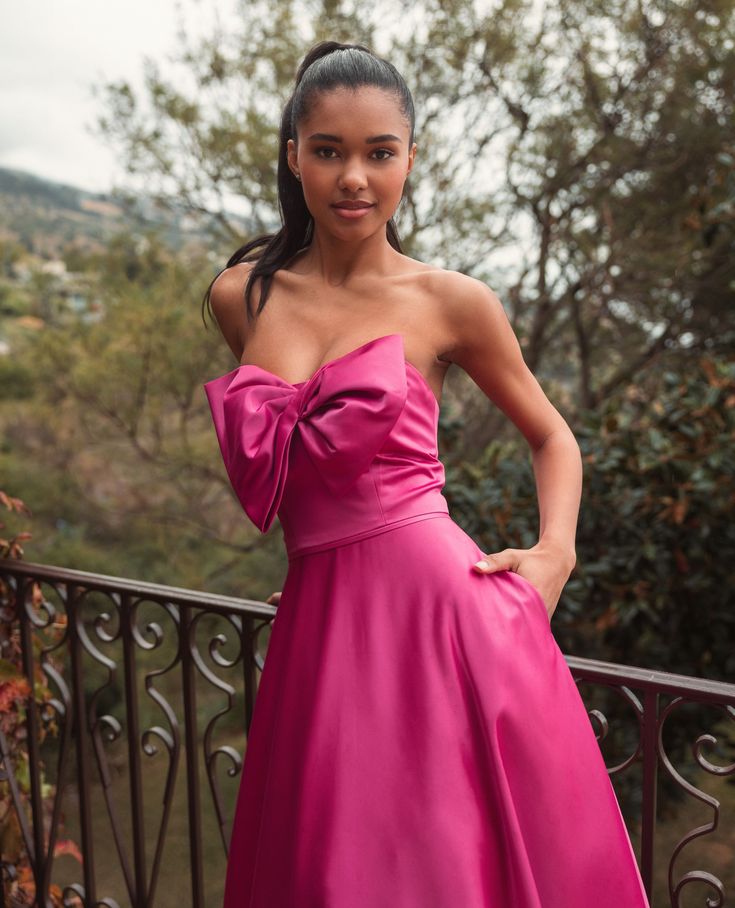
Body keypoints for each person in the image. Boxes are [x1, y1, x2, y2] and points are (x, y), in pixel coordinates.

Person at [202, 39, 650, 908]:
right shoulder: (241, 296)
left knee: (439, 863)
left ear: (412, 158)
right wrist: (319, 574)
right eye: (327, 151)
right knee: (330, 862)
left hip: (443, 620)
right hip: (322, 627)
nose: (352, 178)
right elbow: (305, 460)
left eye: (379, 152)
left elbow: (551, 435)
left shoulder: (450, 301)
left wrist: (552, 554)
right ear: (291, 154)